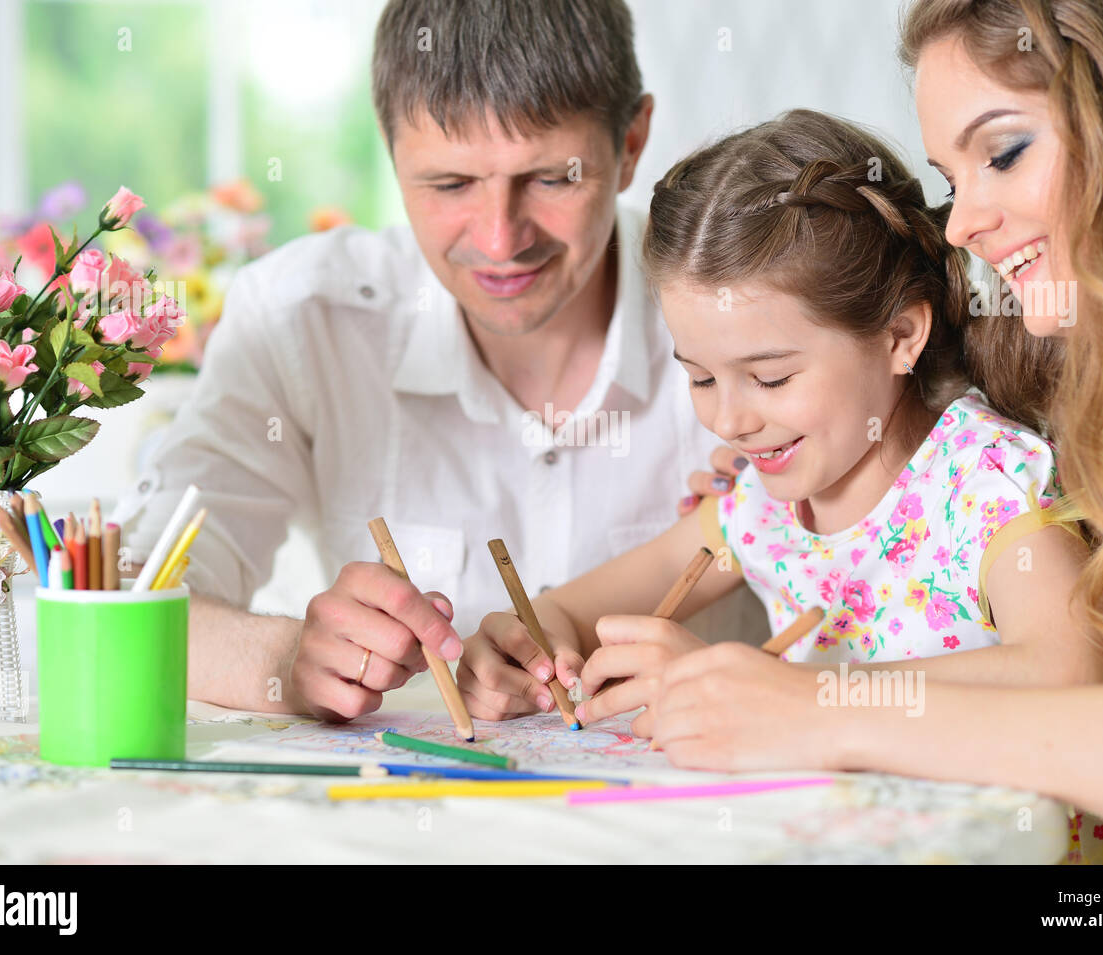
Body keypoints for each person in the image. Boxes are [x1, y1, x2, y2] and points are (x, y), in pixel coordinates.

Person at [659, 0, 1103, 857]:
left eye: (1004, 152)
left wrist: (826, 706)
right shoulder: (1090, 403)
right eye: (954, 181)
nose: (959, 225)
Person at [115, 0, 763, 721]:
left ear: (632, 144)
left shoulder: (761, 316)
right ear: (392, 154)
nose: (499, 240)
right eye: (450, 185)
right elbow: (124, 596)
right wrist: (283, 661)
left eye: (551, 178)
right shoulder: (303, 317)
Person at [455, 108, 1103, 730]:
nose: (730, 419)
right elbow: (567, 611)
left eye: (771, 377)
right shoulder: (761, 506)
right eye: (702, 377)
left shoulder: (986, 482)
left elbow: (1070, 673)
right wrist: (523, 643)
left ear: (900, 336)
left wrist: (775, 693)